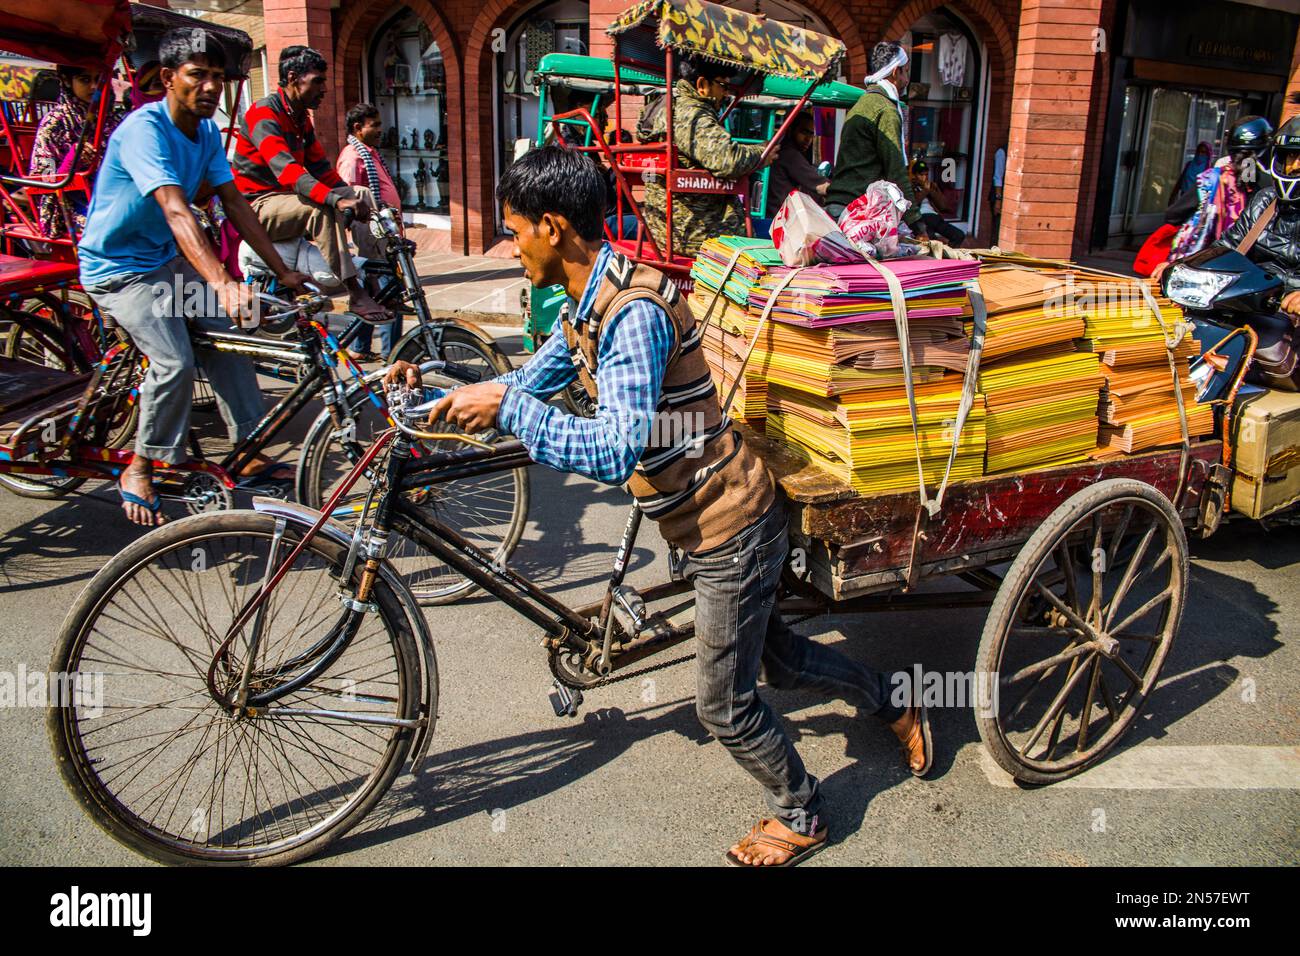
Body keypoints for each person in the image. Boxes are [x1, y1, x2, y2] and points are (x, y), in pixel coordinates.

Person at [384, 145, 931, 867]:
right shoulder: (589, 302)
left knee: (724, 708)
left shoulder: (633, 315)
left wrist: (510, 408)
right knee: (783, 662)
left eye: (513, 230)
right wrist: (434, 386)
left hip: (730, 526)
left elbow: (612, 451)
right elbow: (536, 377)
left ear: (552, 228)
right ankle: (892, 699)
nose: (508, 247)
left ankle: (803, 811)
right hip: (701, 520)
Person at [77, 29, 312, 525]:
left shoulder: (205, 132)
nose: (209, 87)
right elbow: (177, 210)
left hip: (165, 264)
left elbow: (235, 204)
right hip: (118, 270)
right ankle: (142, 465)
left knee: (232, 338)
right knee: (175, 361)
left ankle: (247, 444)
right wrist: (224, 284)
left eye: (216, 77)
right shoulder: (146, 130)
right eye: (197, 75)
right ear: (168, 78)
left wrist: (283, 272)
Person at [232, 45, 386, 321]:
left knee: (361, 192)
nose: (324, 89)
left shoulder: (301, 118)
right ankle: (356, 293)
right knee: (321, 206)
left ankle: (379, 265)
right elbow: (289, 172)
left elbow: (322, 171)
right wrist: (337, 200)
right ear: (293, 78)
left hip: (287, 201)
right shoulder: (263, 114)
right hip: (258, 207)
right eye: (318, 81)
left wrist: (350, 197)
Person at [636, 55, 773, 258]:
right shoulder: (692, 114)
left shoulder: (670, 108)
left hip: (677, 228)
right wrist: (761, 153)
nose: (726, 93)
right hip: (698, 234)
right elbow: (727, 160)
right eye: (722, 86)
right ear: (702, 84)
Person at [826, 41, 925, 238]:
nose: (907, 79)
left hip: (839, 207)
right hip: (856, 213)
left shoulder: (864, 102)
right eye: (906, 72)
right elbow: (895, 171)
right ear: (896, 72)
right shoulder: (886, 110)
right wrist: (918, 224)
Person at [336, 102, 403, 362]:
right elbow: (350, 197)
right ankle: (392, 354)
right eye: (373, 125)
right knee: (389, 288)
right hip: (371, 235)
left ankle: (360, 347)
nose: (379, 129)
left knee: (374, 291)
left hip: (383, 229)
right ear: (357, 128)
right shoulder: (352, 157)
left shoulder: (370, 153)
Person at [27, 65, 122, 240]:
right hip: (70, 206)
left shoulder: (115, 119)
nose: (94, 86)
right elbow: (43, 181)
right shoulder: (55, 123)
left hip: (115, 198)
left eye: (99, 80)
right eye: (85, 80)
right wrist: (72, 161)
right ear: (67, 81)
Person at [1163, 116, 1272, 261]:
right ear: (1265, 147)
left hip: (1204, 262)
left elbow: (1173, 215)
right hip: (1249, 267)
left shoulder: (1211, 179)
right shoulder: (1270, 186)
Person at [764, 110, 828, 217]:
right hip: (782, 218)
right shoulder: (790, 154)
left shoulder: (787, 151)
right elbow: (820, 186)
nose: (808, 139)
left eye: (811, 135)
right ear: (790, 130)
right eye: (804, 132)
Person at [909, 160, 965, 247]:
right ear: (915, 175)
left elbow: (943, 206)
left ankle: (947, 256)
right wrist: (925, 191)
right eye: (921, 175)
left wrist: (933, 191)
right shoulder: (909, 187)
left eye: (926, 174)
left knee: (959, 235)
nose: (924, 177)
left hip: (935, 217)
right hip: (921, 219)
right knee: (931, 241)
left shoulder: (932, 186)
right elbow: (912, 205)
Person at [1171, 141, 1212, 206]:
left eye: (1203, 152)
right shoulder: (1189, 164)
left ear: (1208, 154)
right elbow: (1180, 181)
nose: (1200, 154)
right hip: (1184, 198)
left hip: (1197, 202)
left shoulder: (1209, 170)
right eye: (1199, 152)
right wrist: (1173, 197)